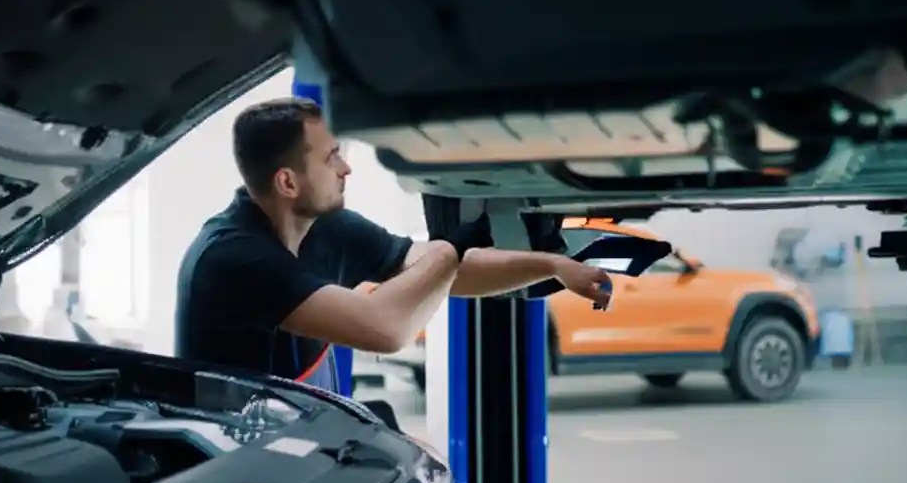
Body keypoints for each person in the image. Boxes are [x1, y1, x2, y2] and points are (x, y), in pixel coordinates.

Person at [174, 96, 612, 391]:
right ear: (287, 182)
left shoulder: (326, 228)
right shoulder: (233, 258)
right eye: (331, 157)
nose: (346, 168)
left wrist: (552, 265)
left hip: (294, 441)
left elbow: (440, 271)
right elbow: (385, 329)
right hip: (230, 467)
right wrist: (452, 247)